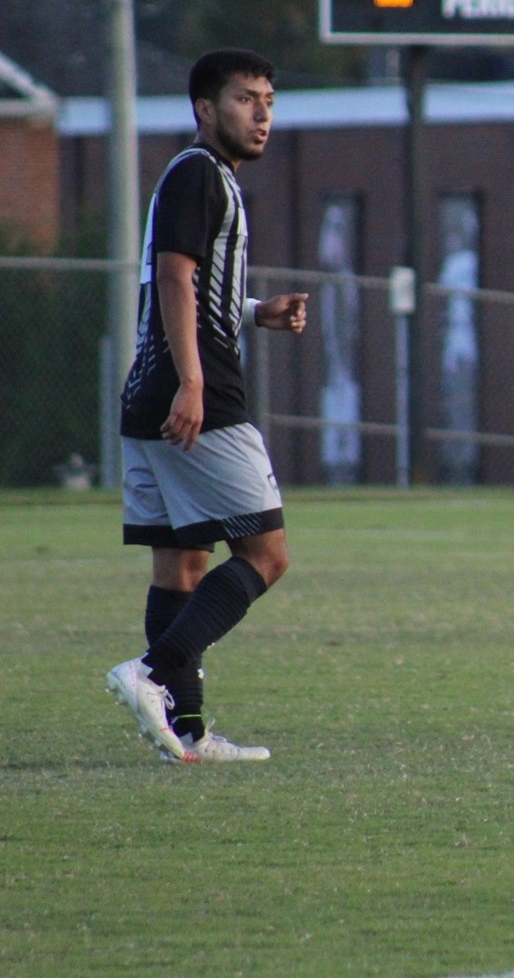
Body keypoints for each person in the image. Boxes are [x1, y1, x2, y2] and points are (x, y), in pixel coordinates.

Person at [104, 48, 308, 764]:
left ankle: (185, 735)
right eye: (245, 98)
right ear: (205, 109)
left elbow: (193, 286)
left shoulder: (201, 178)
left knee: (182, 564)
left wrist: (256, 312)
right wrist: (194, 382)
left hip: (147, 393)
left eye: (268, 101)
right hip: (200, 396)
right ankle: (153, 674)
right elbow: (172, 276)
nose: (260, 114)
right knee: (268, 553)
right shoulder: (199, 172)